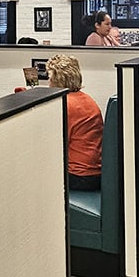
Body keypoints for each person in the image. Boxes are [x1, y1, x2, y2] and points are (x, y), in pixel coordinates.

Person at [46, 54, 103, 191]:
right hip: (96, 173)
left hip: (79, 176)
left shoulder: (66, 104)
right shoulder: (86, 99)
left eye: (49, 78)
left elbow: (54, 144)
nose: (48, 83)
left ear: (57, 79)